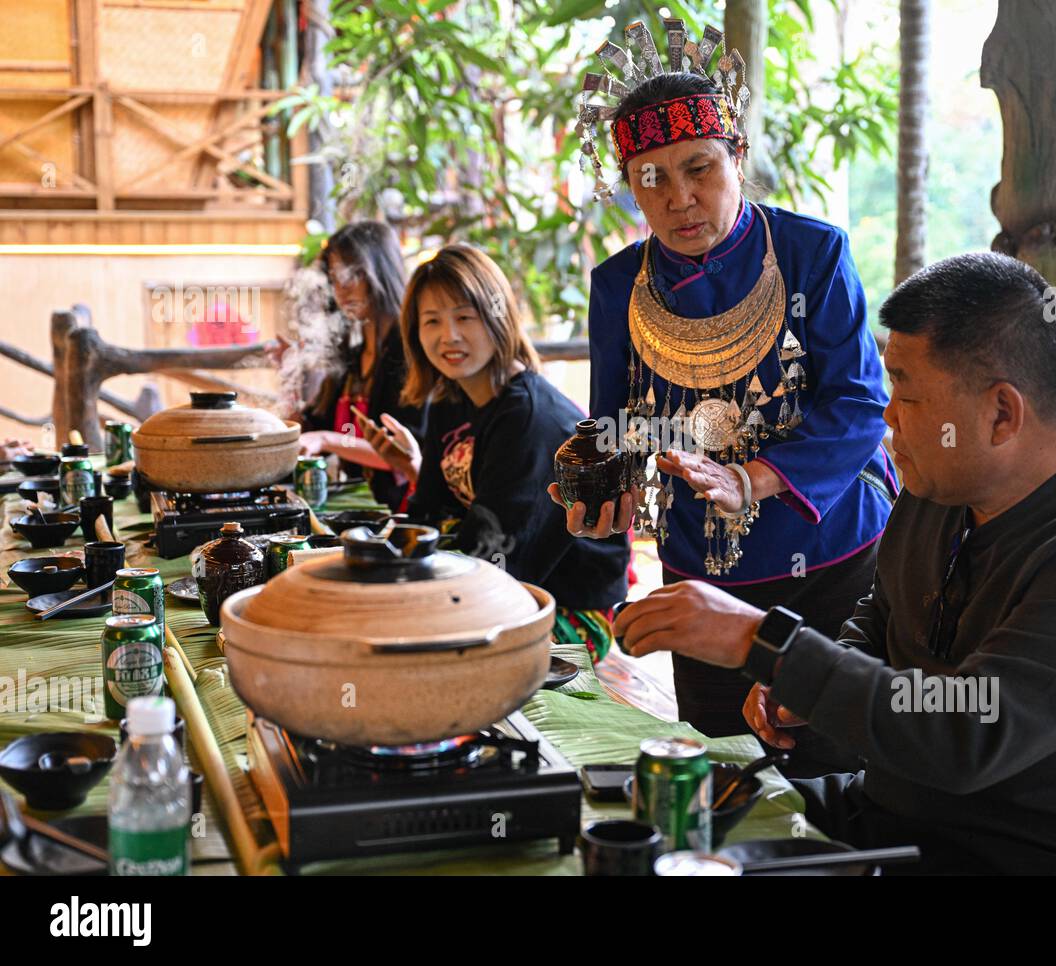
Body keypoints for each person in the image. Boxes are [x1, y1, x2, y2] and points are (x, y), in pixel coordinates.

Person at [614, 252, 1056, 874]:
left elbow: (966, 735)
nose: (888, 415)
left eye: (907, 391)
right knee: (655, 822)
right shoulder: (936, 494)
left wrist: (761, 642)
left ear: (1001, 413)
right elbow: (881, 622)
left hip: (1037, 858)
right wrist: (801, 692)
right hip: (895, 819)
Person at [551, 19, 895, 771]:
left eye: (700, 167)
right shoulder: (618, 288)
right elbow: (617, 424)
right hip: (700, 570)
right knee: (723, 769)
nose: (680, 197)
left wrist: (751, 478)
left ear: (737, 157)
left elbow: (860, 406)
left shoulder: (814, 254)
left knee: (831, 768)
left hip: (835, 558)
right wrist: (599, 487)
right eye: (652, 177)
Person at [366, 244, 629, 661]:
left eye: (464, 317)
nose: (448, 336)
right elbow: (427, 510)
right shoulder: (450, 398)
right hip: (493, 580)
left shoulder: (528, 416)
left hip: (566, 610)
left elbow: (501, 557)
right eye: (431, 321)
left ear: (497, 317)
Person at [296, 221, 427, 511]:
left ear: (380, 270)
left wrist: (327, 440)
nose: (341, 289)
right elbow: (313, 426)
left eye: (352, 274)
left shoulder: (412, 354)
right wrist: (289, 374)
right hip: (359, 511)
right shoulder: (354, 356)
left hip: (404, 514)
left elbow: (403, 454)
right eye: (334, 277)